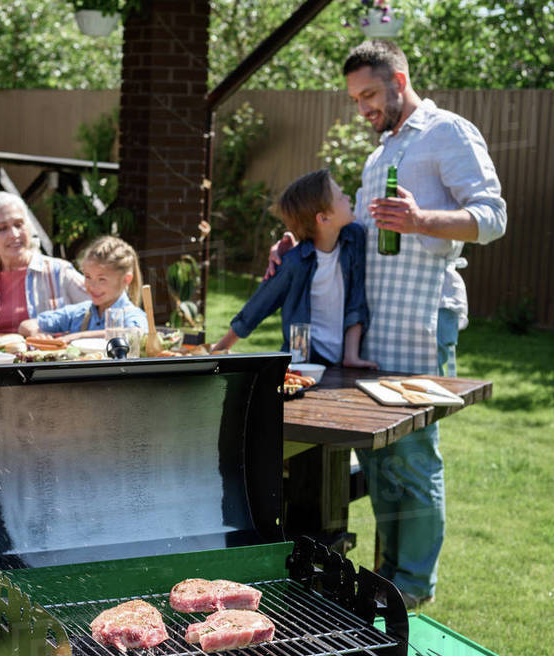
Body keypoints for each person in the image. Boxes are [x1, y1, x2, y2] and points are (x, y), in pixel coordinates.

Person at [339, 40, 506, 607]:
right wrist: (302, 245)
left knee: (415, 452)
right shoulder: (380, 152)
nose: (362, 107)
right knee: (382, 453)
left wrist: (420, 219)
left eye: (368, 94)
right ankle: (388, 574)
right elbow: (360, 235)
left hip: (423, 314)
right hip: (379, 322)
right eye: (354, 98)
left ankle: (412, 585)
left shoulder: (448, 132)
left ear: (399, 79)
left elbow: (492, 217)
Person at [212, 169, 376, 369]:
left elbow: (356, 300)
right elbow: (260, 304)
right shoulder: (294, 262)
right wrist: (218, 352)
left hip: (339, 362)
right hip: (303, 361)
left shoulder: (354, 239)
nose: (348, 197)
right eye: (341, 197)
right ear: (323, 219)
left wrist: (351, 356)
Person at [0, 192, 89, 333]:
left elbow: (102, 305)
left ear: (29, 228)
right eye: (2, 228)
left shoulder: (58, 271)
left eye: (18, 224)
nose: (14, 234)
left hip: (48, 353)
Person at [18, 235, 147, 339]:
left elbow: (136, 335)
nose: (91, 286)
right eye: (88, 276)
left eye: (102, 279)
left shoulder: (133, 315)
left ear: (126, 280)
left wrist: (78, 337)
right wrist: (38, 332)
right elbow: (25, 326)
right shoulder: (80, 313)